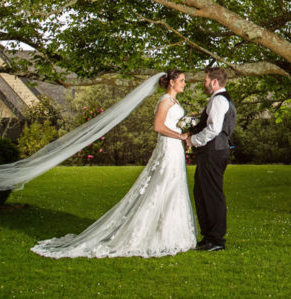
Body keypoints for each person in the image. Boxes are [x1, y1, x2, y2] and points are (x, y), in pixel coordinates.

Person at [31, 70, 197, 258]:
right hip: (168, 147)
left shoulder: (174, 102)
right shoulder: (165, 101)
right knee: (163, 186)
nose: (184, 83)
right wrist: (179, 135)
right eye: (182, 80)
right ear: (172, 82)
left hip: (176, 148)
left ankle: (171, 233)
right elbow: (158, 127)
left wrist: (185, 133)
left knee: (174, 187)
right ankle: (149, 232)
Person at [185, 66, 235, 252]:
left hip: (214, 151)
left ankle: (216, 240)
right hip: (212, 152)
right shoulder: (218, 99)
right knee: (201, 192)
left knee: (212, 194)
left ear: (214, 82)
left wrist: (193, 140)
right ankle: (208, 237)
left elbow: (214, 129)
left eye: (205, 81)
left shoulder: (219, 100)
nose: (204, 84)